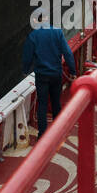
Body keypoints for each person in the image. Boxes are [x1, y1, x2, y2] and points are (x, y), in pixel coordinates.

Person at [21, 8, 76, 139]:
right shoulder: (58, 32)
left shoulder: (32, 36)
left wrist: (25, 71)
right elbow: (68, 53)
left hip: (41, 76)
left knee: (43, 104)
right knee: (56, 102)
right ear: (47, 18)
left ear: (35, 20)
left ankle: (42, 135)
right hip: (56, 74)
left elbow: (27, 58)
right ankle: (59, 131)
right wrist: (73, 71)